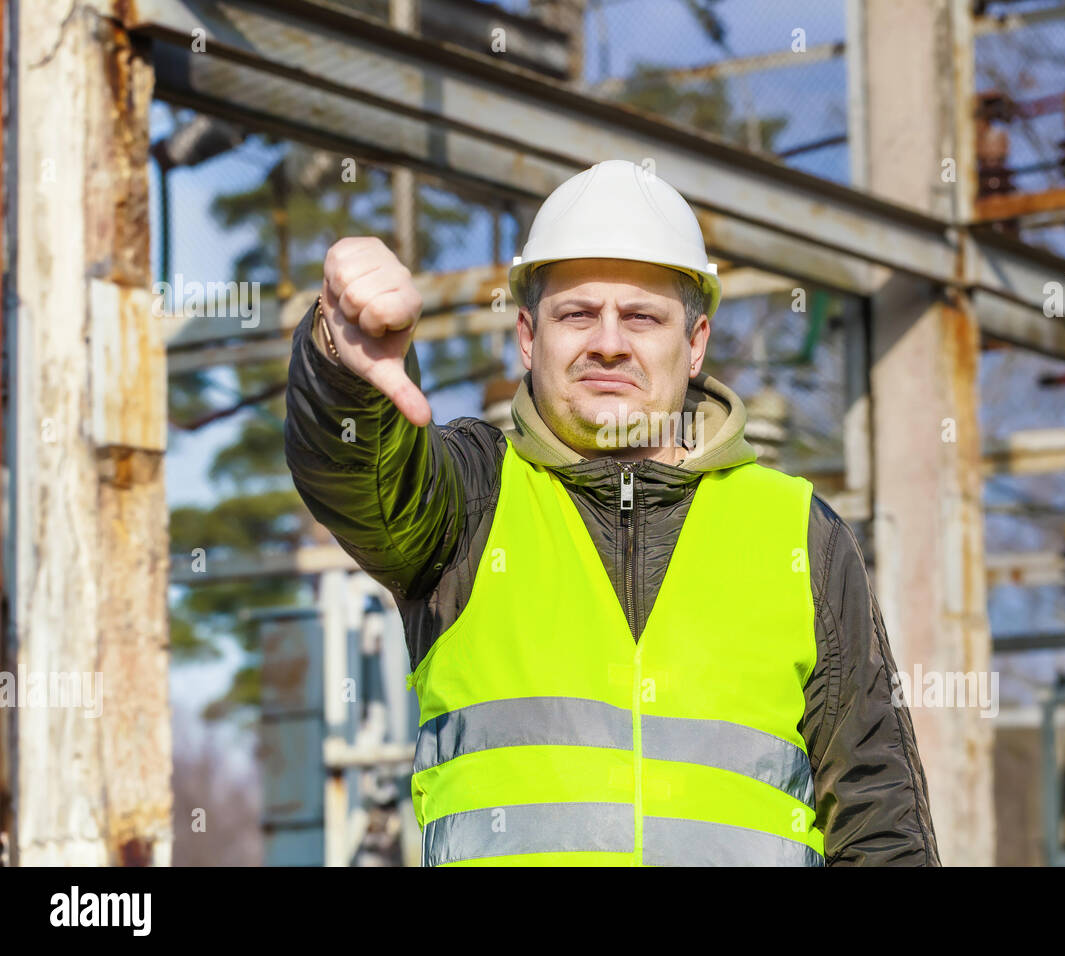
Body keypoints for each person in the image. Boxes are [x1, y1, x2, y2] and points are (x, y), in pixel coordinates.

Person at [284, 159, 938, 866]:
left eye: (641, 317)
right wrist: (339, 364)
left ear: (694, 345)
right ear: (529, 338)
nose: (608, 342)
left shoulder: (799, 531)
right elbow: (353, 471)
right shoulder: (469, 501)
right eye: (577, 313)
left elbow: (876, 814)